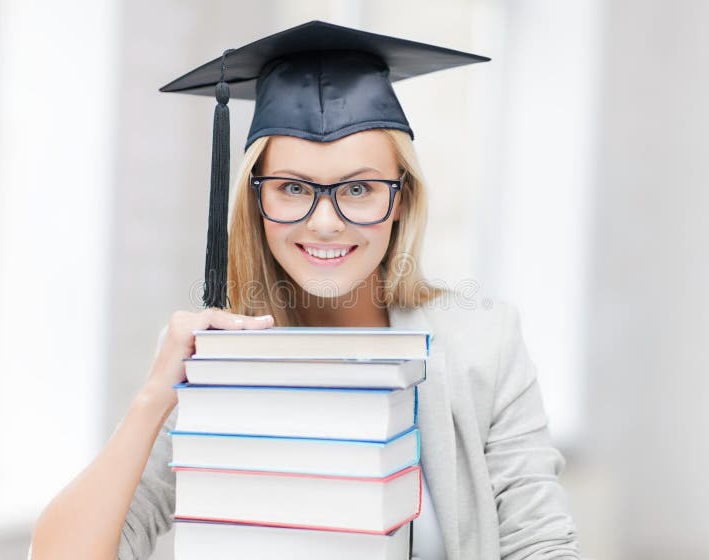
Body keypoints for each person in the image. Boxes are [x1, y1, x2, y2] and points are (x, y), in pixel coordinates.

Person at [30, 21, 580, 560]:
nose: (324, 223)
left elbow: (541, 546)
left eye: (360, 189)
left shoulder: (484, 343)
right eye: (293, 188)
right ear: (255, 201)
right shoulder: (216, 360)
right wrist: (154, 398)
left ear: (402, 203)